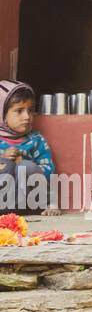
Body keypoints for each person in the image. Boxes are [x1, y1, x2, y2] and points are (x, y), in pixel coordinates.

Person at [0, 80, 59, 216]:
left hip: (26, 201)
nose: (27, 117)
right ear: (2, 114)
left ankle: (50, 204)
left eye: (30, 110)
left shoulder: (36, 140)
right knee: (6, 166)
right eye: (19, 111)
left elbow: (48, 170)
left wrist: (23, 162)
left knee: (27, 167)